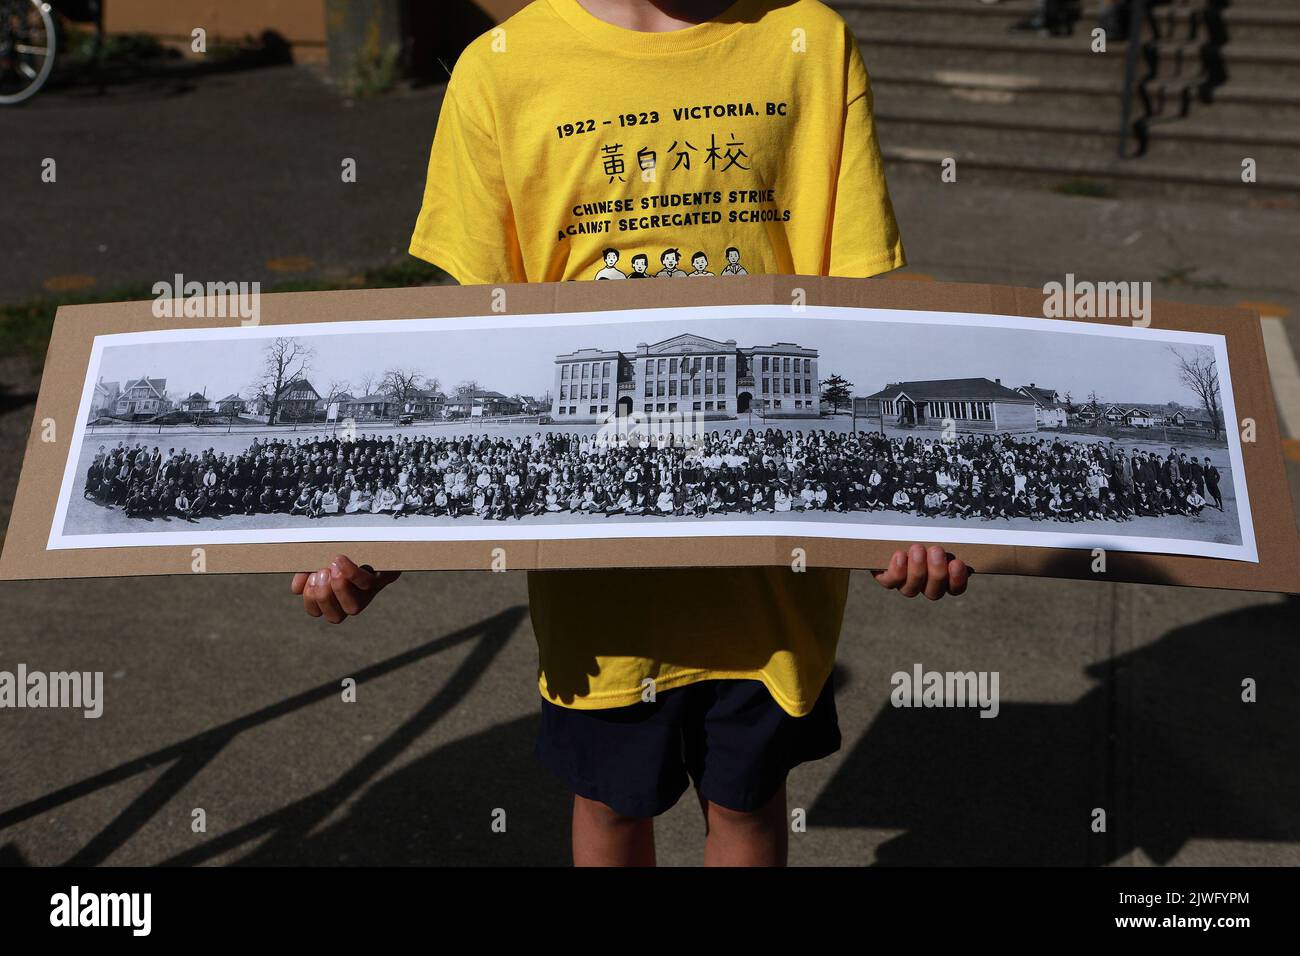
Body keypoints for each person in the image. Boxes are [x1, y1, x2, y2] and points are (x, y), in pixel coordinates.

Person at [293, 0, 970, 869]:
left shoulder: (808, 40)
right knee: (611, 811)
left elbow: (862, 304)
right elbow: (472, 338)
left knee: (747, 808)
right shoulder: (501, 66)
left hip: (771, 580)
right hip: (598, 592)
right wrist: (380, 533)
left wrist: (911, 502)